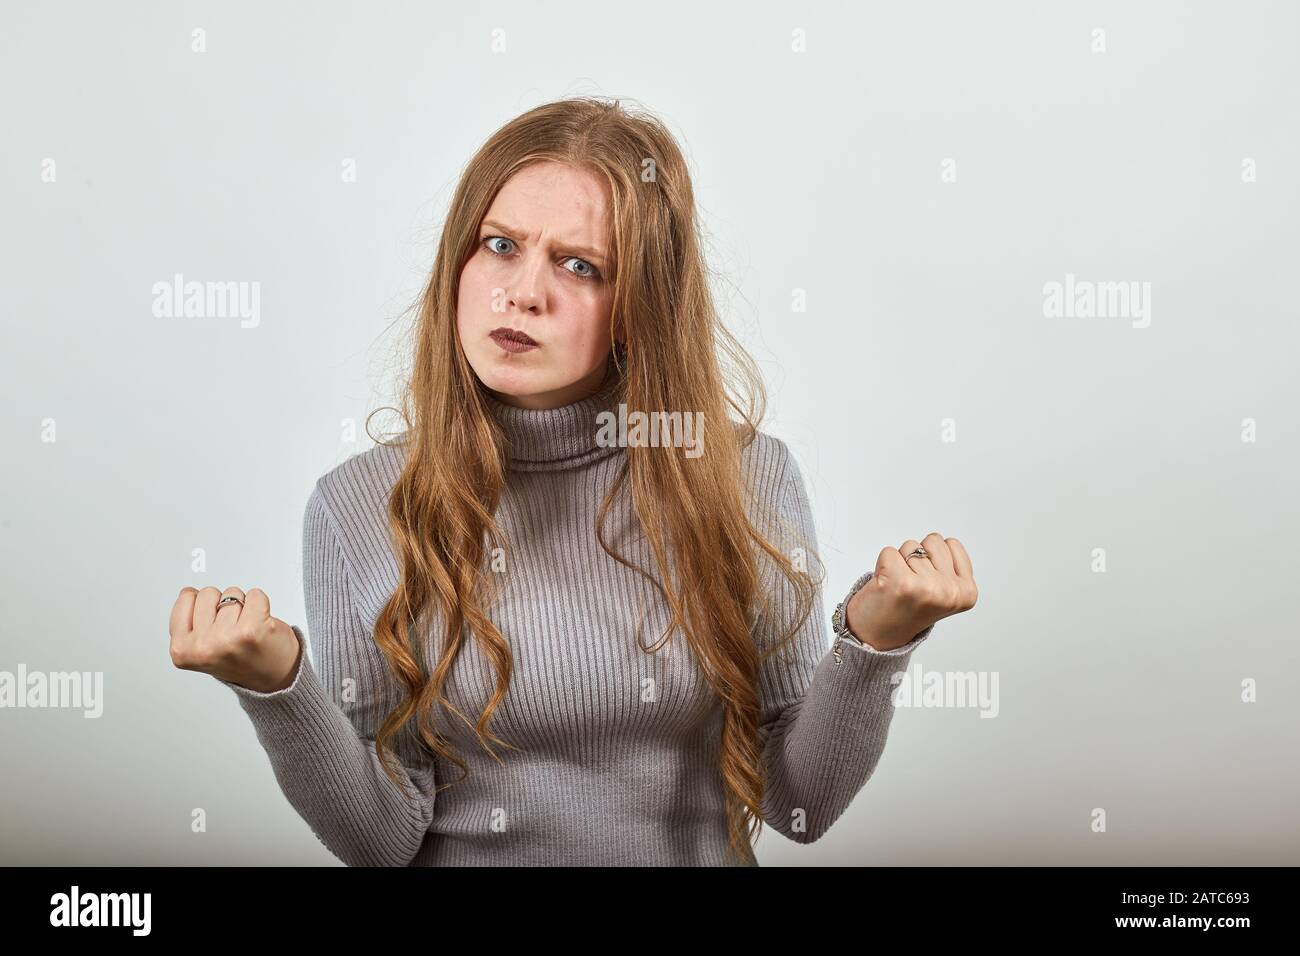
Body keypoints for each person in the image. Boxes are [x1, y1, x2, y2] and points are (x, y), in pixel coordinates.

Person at [167, 96, 978, 867]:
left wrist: (877, 639)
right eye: (501, 245)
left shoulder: (745, 475)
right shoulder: (357, 507)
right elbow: (382, 843)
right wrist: (275, 683)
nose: (523, 291)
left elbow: (802, 805)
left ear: (638, 307)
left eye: (579, 265)